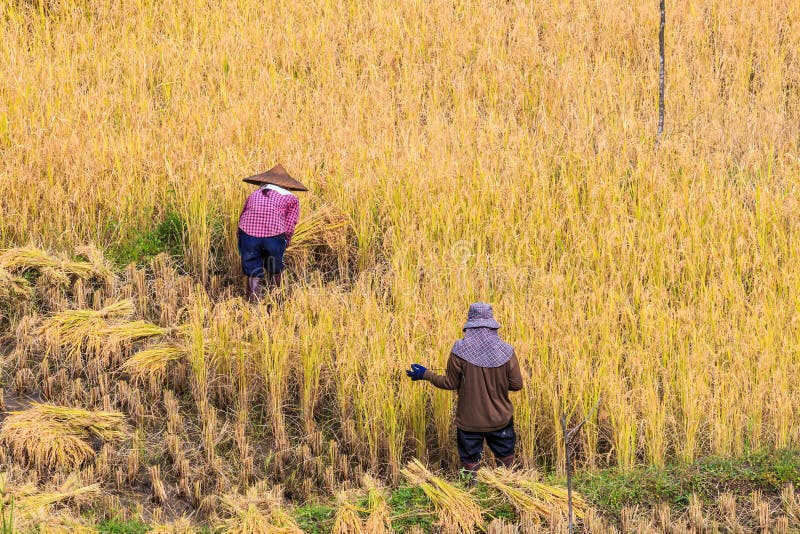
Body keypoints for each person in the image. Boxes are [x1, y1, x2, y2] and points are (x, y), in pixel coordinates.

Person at [406, 302, 523, 477]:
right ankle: (508, 485)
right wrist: (497, 380)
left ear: (470, 325)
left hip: (469, 422)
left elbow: (449, 383)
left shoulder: (459, 350)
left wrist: (425, 374)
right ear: (492, 325)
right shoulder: (506, 351)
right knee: (506, 464)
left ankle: (470, 489)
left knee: (469, 464)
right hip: (500, 420)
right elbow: (517, 385)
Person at [238, 164, 305, 301]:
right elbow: (290, 225)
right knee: (275, 267)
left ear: (264, 182)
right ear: (286, 185)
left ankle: (252, 303)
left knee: (253, 270)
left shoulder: (254, 194)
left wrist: (241, 238)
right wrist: (285, 242)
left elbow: (243, 215)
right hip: (273, 236)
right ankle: (276, 301)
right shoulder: (291, 198)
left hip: (248, 233)